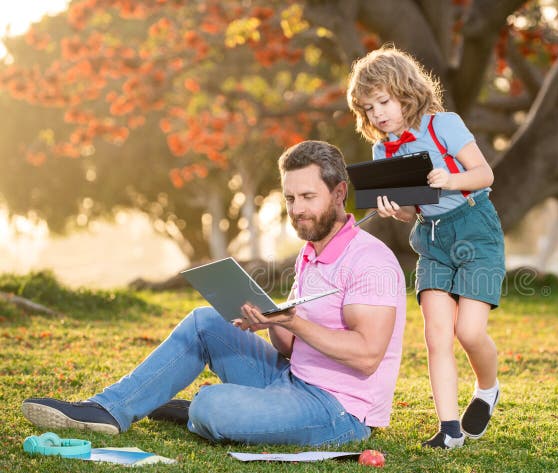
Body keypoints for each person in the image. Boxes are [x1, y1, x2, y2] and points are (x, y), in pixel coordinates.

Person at [21, 140, 406, 446]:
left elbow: (367, 356)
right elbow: (290, 346)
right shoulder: (311, 253)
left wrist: (295, 322)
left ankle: (201, 411)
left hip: (338, 411)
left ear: (339, 194)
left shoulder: (371, 260)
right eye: (290, 199)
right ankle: (108, 409)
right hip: (293, 378)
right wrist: (271, 320)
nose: (297, 210)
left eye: (308, 197)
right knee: (205, 321)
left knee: (210, 405)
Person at [346, 46, 505, 449]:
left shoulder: (444, 125)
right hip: (431, 239)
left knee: (469, 331)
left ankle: (487, 390)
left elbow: (485, 175)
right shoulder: (382, 151)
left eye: (383, 101)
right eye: (368, 109)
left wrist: (449, 180)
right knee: (437, 335)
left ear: (406, 93)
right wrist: (393, 210)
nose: (377, 114)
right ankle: (449, 429)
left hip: (475, 229)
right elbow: (410, 210)